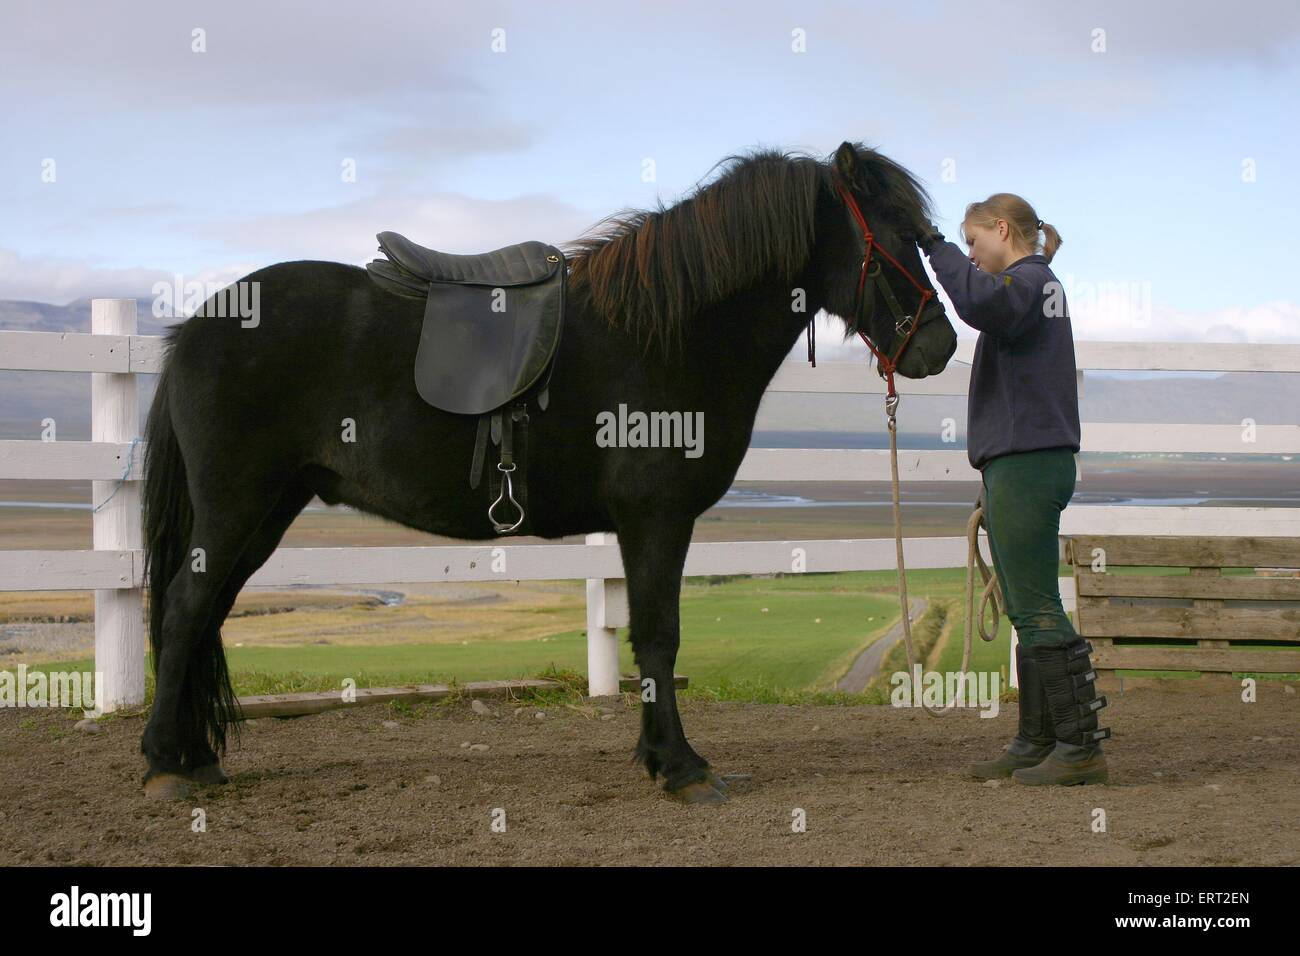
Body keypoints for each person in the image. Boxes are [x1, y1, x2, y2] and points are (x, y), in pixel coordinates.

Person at [915, 194, 1111, 786]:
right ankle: (1036, 741)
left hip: (1026, 464)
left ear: (1003, 229)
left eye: (973, 243)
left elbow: (978, 303)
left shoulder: (1027, 282)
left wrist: (932, 246)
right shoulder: (1036, 287)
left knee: (1038, 608)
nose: (970, 256)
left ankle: (1079, 748)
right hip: (1019, 463)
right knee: (1027, 608)